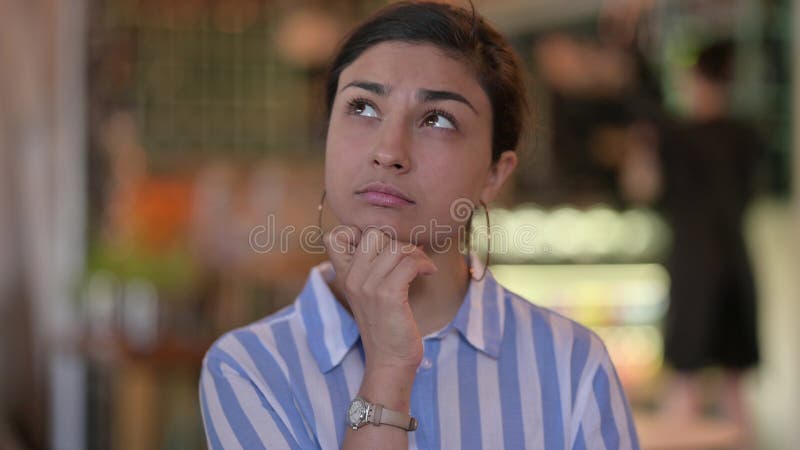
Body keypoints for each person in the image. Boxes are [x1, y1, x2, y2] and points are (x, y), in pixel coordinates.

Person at [199, 2, 639, 449]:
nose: (389, 151)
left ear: (495, 174)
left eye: (438, 119)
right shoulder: (250, 368)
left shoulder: (572, 366)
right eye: (364, 107)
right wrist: (389, 366)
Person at [654, 40, 762, 441]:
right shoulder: (747, 137)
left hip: (694, 267)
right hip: (735, 264)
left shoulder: (676, 137)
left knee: (685, 383)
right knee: (734, 390)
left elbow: (648, 190)